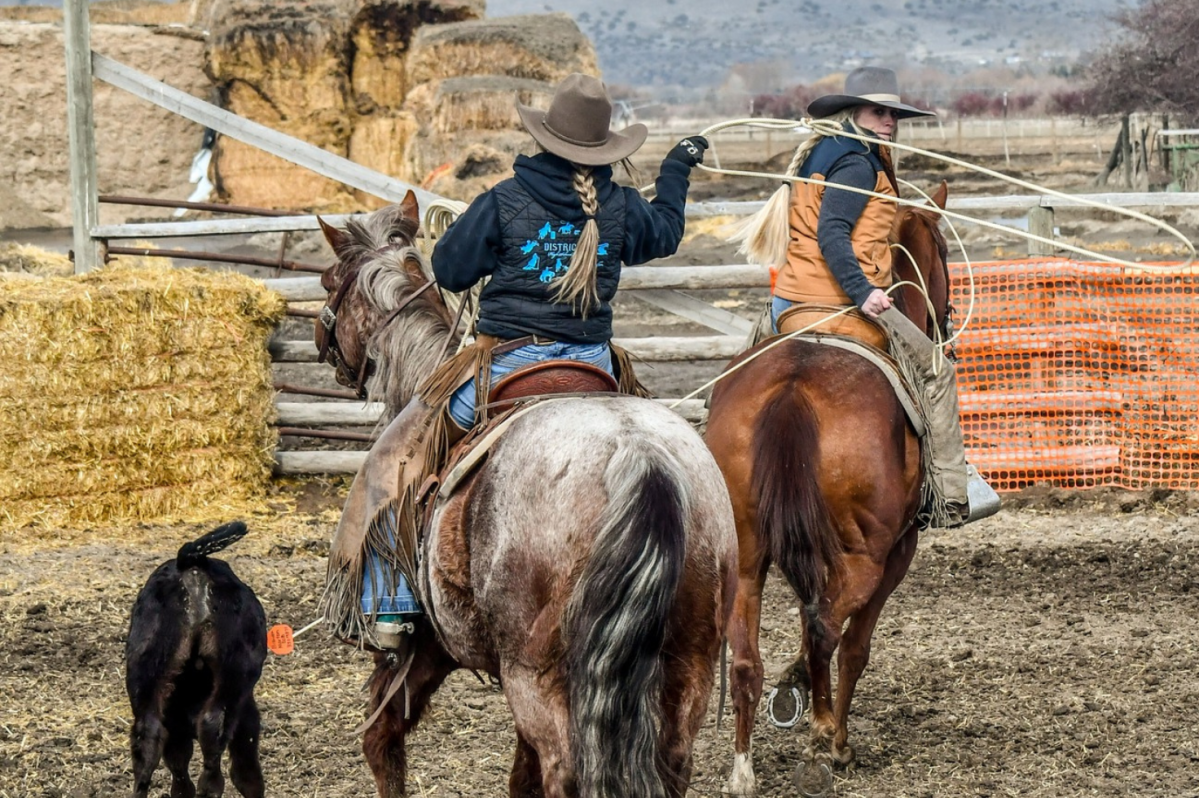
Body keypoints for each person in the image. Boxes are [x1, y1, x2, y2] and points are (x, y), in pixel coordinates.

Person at [323, 72, 710, 651]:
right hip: (594, 362)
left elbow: (450, 272)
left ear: (545, 139)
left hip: (507, 361)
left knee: (401, 453)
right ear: (604, 149)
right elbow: (669, 231)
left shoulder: (504, 200)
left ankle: (391, 605)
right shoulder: (622, 206)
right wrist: (676, 170)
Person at [730, 65, 999, 528]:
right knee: (936, 371)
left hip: (791, 301)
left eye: (893, 114)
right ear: (855, 112)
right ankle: (952, 494)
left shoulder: (821, 152)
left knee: (741, 370)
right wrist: (865, 292)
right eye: (879, 112)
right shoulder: (857, 164)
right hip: (840, 305)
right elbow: (833, 233)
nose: (889, 122)